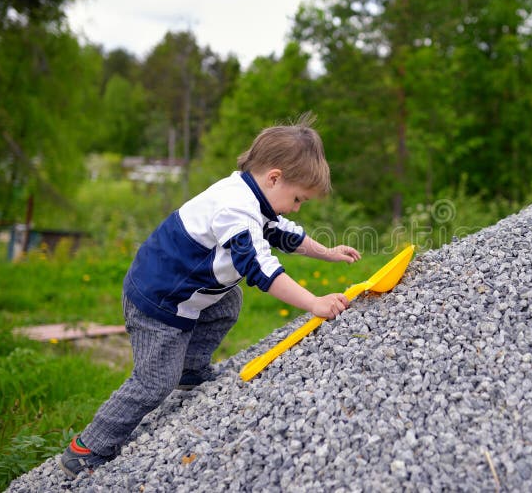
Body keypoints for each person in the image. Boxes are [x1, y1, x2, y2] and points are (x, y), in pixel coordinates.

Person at [60, 113, 360, 478]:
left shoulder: (255, 197)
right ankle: (88, 447)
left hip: (188, 289)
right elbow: (260, 268)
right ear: (275, 177)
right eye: (297, 199)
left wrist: (327, 252)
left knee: (227, 303)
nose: (296, 208)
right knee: (154, 382)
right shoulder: (235, 207)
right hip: (158, 301)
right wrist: (314, 302)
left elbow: (284, 235)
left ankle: (191, 369)